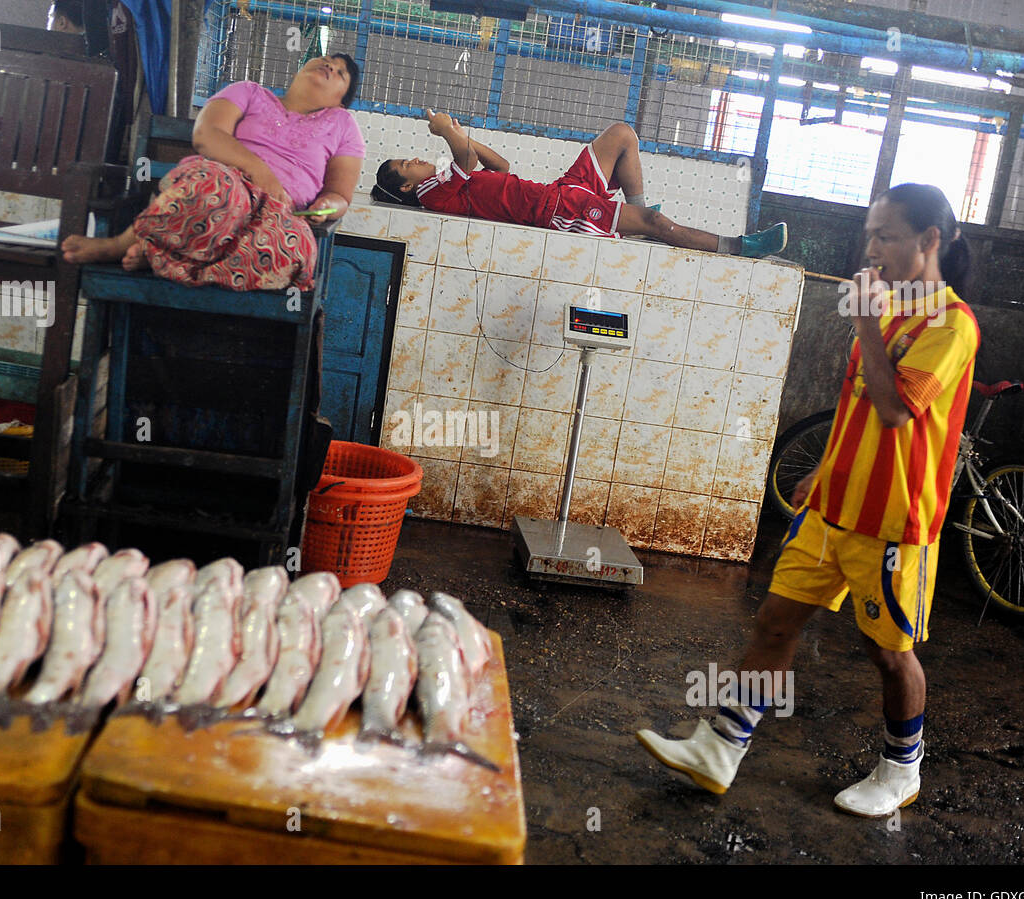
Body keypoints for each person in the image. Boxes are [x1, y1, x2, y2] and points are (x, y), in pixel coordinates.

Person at [637, 183, 980, 818]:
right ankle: (720, 747)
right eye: (870, 233)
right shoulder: (887, 309)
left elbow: (895, 407)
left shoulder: (951, 324)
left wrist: (864, 323)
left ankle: (902, 768)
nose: (871, 247)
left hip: (892, 524)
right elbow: (856, 406)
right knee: (774, 622)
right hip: (831, 509)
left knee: (889, 653)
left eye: (887, 236)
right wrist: (823, 468)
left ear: (930, 241)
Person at [63, 54, 365, 292]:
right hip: (227, 184)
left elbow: (339, 195)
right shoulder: (248, 92)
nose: (330, 66)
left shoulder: (344, 126)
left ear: (341, 100)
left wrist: (328, 207)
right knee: (215, 192)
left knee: (289, 251)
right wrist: (261, 172)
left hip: (279, 212)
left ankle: (161, 257)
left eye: (341, 72)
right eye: (326, 60)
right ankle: (119, 245)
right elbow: (206, 134)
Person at [375, 111, 787, 257]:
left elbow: (498, 165)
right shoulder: (433, 196)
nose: (413, 160)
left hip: (560, 191)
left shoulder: (450, 185)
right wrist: (447, 132)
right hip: (557, 211)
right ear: (408, 188)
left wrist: (460, 134)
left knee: (622, 134)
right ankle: (741, 247)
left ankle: (639, 215)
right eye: (405, 166)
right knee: (658, 226)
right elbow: (466, 157)